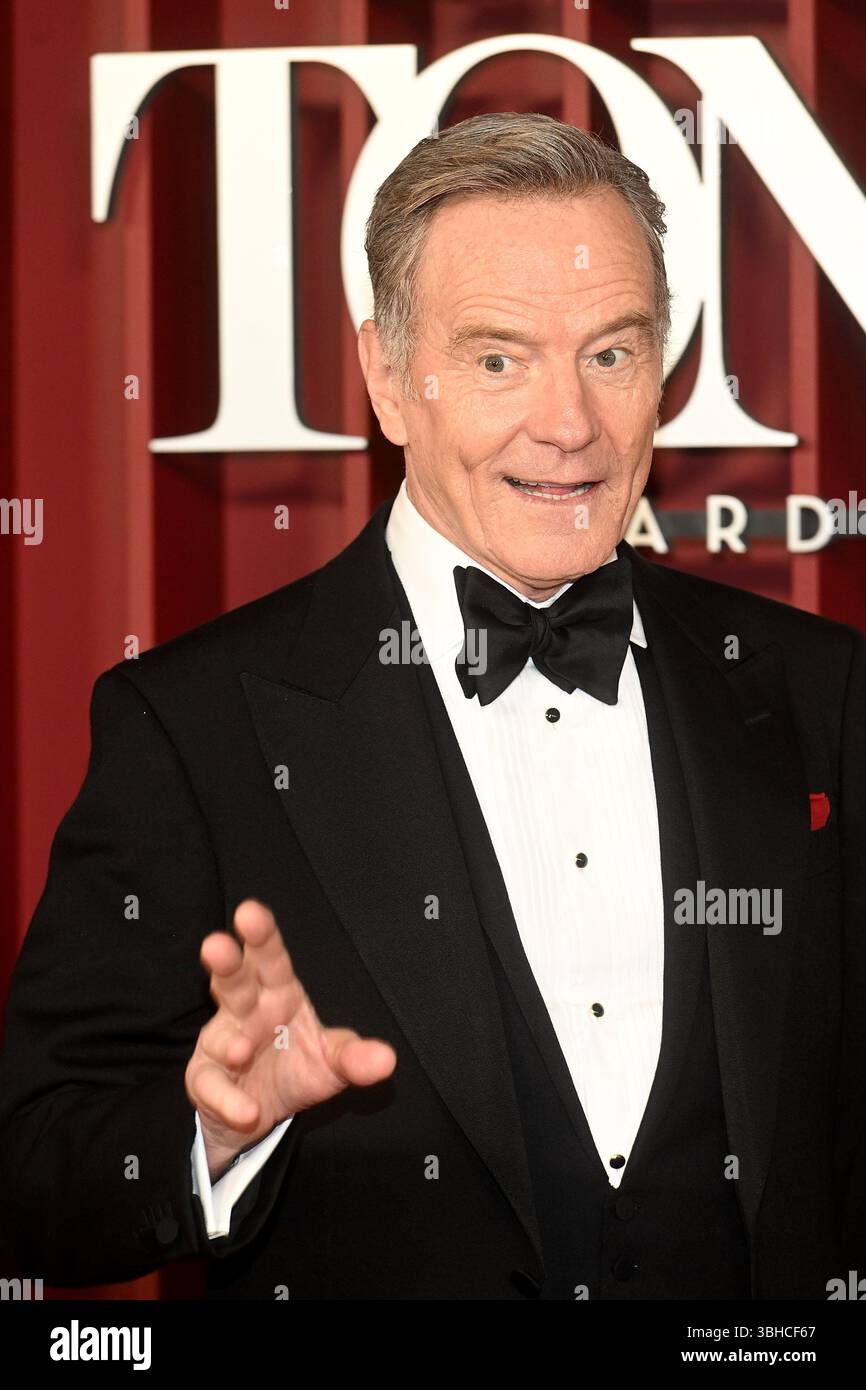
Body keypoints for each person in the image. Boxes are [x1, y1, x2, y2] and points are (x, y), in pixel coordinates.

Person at [0, 112, 863, 1301]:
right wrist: (211, 1131)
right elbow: (34, 1175)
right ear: (389, 379)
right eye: (500, 357)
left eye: (610, 354)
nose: (568, 424)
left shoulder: (818, 689)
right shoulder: (192, 726)